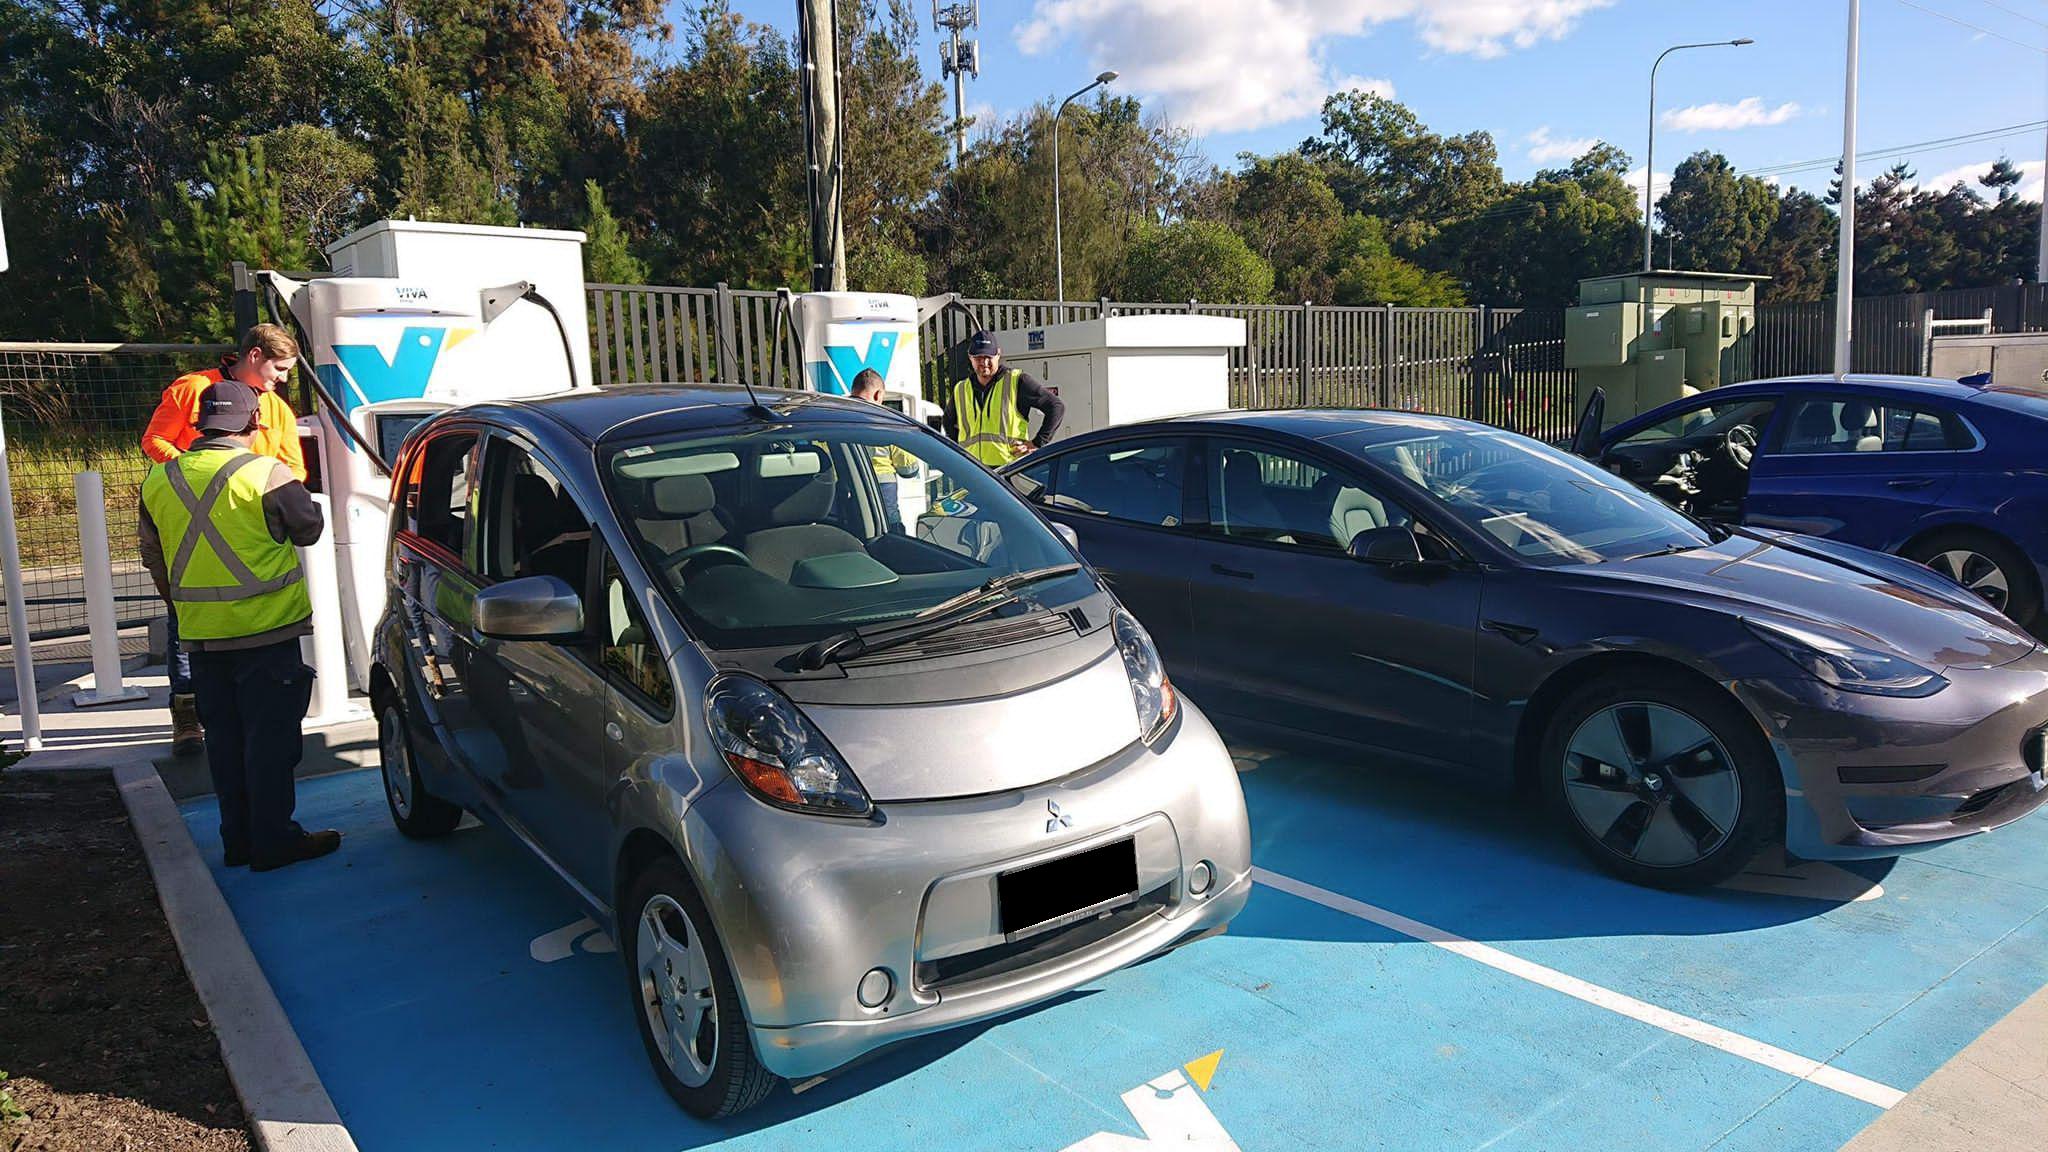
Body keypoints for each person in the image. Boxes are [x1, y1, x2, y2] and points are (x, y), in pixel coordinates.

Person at [139, 380, 337, 872]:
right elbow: (308, 528)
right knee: (269, 741)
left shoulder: (160, 479)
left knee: (224, 742)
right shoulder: (266, 472)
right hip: (268, 633)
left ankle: (238, 841)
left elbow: (152, 556)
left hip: (203, 638)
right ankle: (274, 841)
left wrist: (186, 607)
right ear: (253, 424)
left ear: (199, 424)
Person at [141, 324, 306, 756]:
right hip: (196, 524)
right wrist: (200, 476)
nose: (283, 379)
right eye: (280, 368)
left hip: (250, 527)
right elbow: (153, 440)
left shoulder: (278, 411)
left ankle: (227, 722)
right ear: (253, 356)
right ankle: (187, 716)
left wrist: (267, 490)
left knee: (238, 627)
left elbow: (295, 468)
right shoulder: (193, 389)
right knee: (187, 615)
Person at [942, 331, 1064, 468]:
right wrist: (959, 451)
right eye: (978, 357)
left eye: (989, 356)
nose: (984, 362)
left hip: (1010, 470)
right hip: (974, 470)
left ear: (998, 354)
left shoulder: (1016, 381)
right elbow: (947, 421)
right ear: (970, 357)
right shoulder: (961, 389)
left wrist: (1036, 443)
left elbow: (1056, 406)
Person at [848, 368, 920, 534]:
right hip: (883, 504)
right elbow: (910, 469)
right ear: (878, 394)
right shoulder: (886, 422)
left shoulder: (833, 417)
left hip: (845, 505)